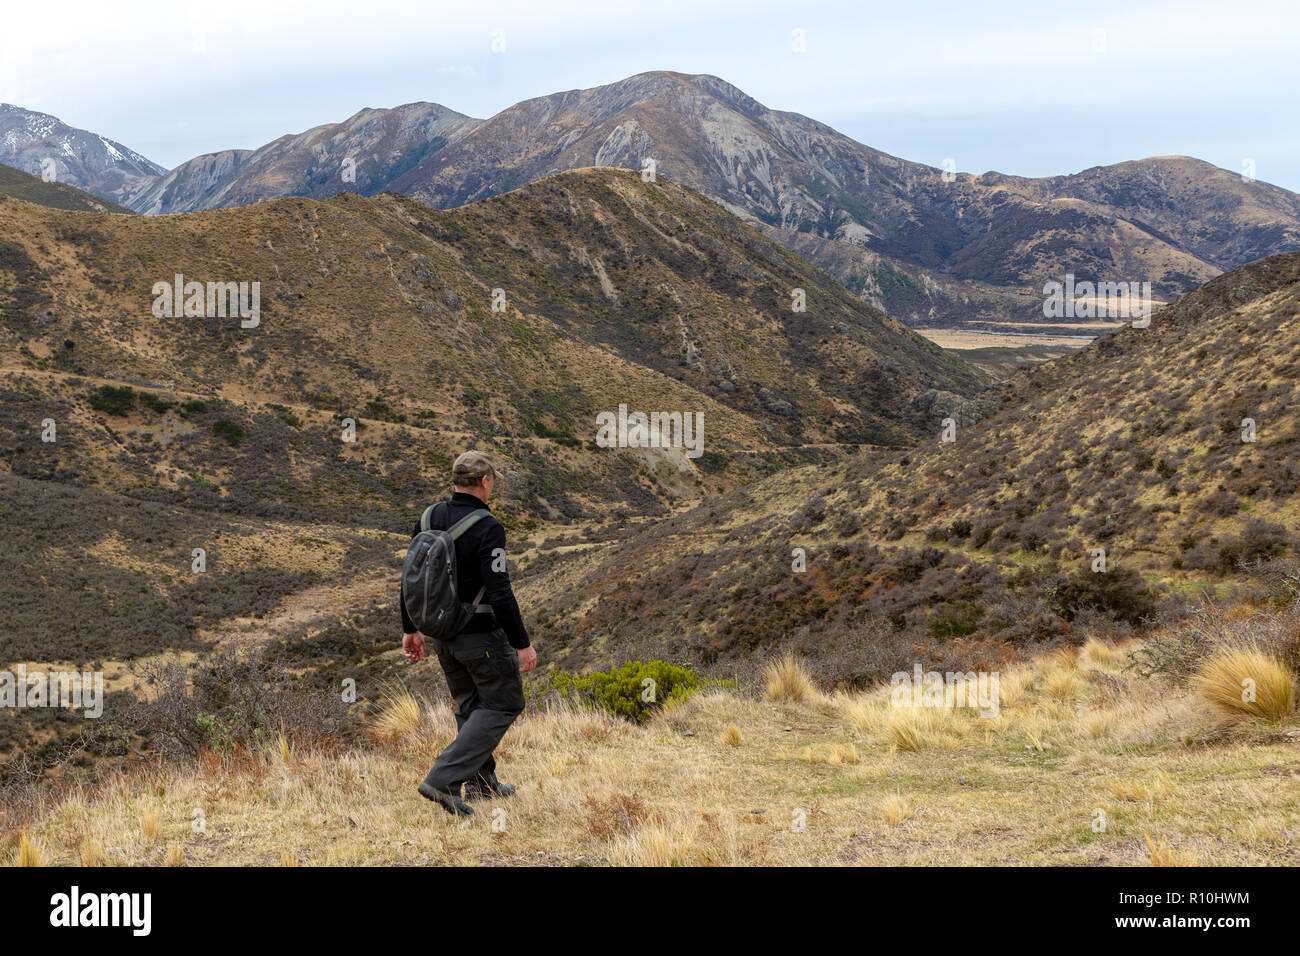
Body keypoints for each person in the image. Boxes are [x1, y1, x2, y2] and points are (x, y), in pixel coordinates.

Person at [400, 450, 537, 816]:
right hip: (482, 638)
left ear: (456, 480)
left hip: (444, 636)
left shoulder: (429, 517)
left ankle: (480, 783)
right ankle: (443, 779)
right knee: (505, 703)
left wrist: (410, 629)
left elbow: (411, 580)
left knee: (470, 706)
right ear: (486, 482)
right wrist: (521, 643)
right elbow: (500, 591)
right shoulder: (487, 527)